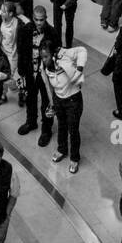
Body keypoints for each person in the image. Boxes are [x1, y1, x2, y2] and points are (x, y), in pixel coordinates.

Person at [41, 42, 87, 174]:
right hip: (58, 99)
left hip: (73, 100)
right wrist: (52, 104)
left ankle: (74, 158)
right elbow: (48, 87)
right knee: (61, 125)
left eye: (46, 56)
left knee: (73, 130)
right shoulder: (44, 67)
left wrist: (78, 70)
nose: (44, 60)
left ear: (53, 55)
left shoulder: (65, 60)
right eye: (42, 57)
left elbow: (82, 51)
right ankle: (62, 149)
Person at [18, 5, 58, 142]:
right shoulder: (25, 30)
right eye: (36, 19)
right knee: (30, 98)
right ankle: (31, 122)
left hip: (45, 74)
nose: (39, 22)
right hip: (30, 72)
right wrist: (21, 71)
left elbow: (57, 53)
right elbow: (21, 51)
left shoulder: (52, 33)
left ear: (46, 18)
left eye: (41, 20)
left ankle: (46, 130)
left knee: (46, 102)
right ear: (33, 18)